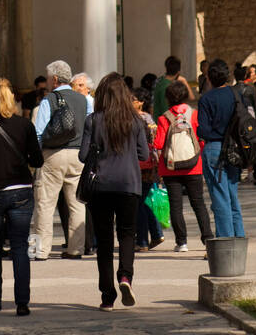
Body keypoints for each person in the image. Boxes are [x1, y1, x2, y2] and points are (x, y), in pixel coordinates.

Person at [79, 72, 149, 310]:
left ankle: (107, 296)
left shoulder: (93, 120)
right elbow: (144, 155)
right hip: (129, 185)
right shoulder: (136, 121)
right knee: (127, 234)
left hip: (101, 186)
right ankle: (125, 277)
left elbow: (82, 155)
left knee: (105, 240)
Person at [0, 78, 42, 314]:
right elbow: (38, 160)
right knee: (20, 247)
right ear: (13, 98)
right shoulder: (25, 126)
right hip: (22, 190)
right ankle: (22, 302)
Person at [31, 60, 89, 260]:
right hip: (78, 155)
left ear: (54, 79)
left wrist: (36, 159)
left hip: (53, 155)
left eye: (48, 78)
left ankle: (40, 250)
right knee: (77, 203)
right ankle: (76, 248)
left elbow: (39, 132)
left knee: (44, 204)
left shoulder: (50, 99)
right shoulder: (84, 100)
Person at [154, 79, 213, 251]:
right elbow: (201, 137)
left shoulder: (164, 118)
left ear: (168, 98)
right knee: (198, 203)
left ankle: (182, 242)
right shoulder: (194, 114)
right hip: (194, 165)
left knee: (176, 205)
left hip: (170, 168)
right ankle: (207, 237)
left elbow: (158, 144)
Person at [197, 60, 245, 238]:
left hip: (215, 147)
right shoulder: (235, 94)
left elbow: (203, 130)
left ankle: (226, 240)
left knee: (219, 197)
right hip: (236, 147)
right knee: (232, 194)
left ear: (208, 77)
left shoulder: (206, 99)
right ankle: (238, 235)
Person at [131, 87, 162, 252]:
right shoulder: (149, 119)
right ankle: (156, 233)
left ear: (141, 102)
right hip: (150, 165)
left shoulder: (138, 119)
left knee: (139, 203)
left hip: (140, 165)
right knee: (145, 201)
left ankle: (142, 240)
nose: (130, 102)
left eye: (133, 99)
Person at [151, 56, 184, 123]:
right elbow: (165, 110)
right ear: (178, 71)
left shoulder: (160, 82)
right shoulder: (167, 86)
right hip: (164, 124)